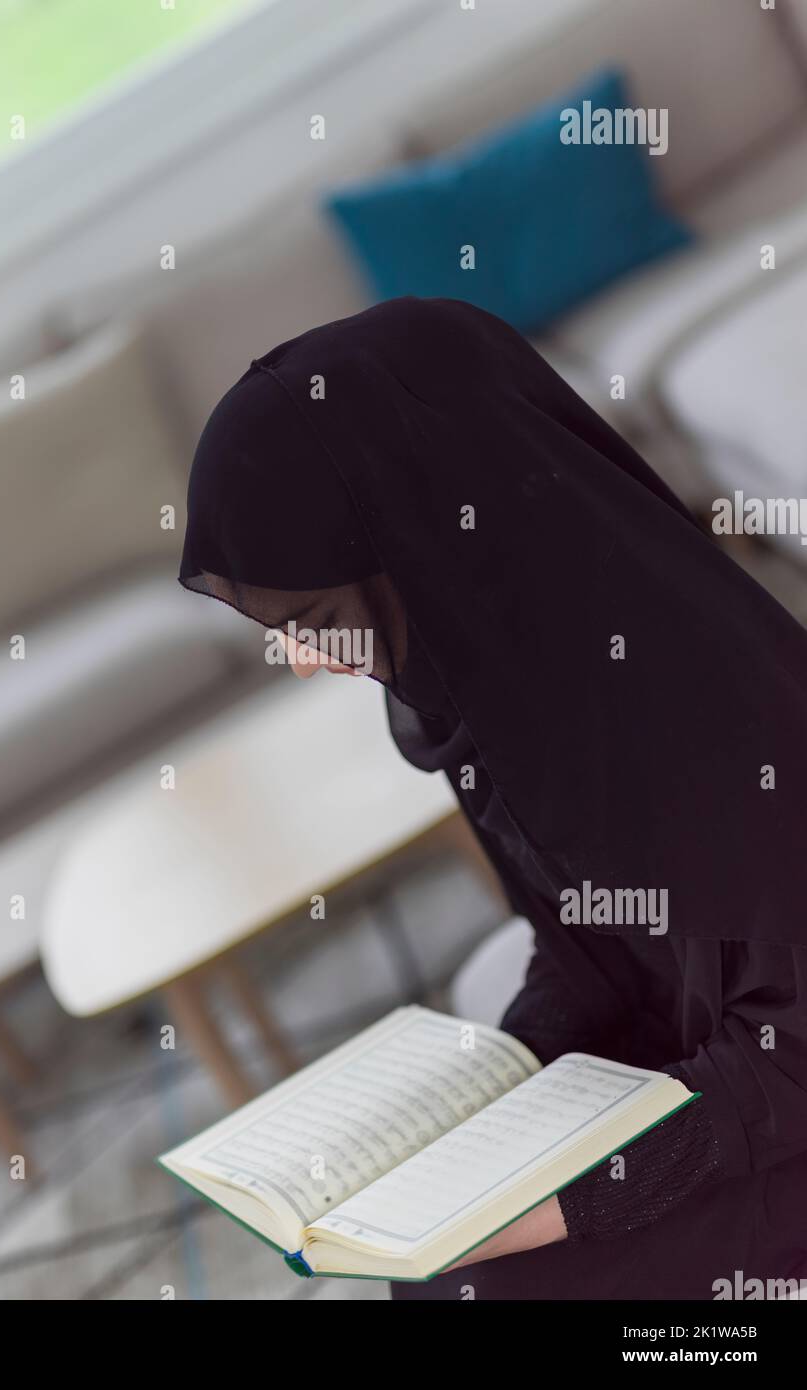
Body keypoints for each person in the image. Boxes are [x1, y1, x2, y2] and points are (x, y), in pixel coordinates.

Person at [177, 295, 807, 1300]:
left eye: (313, 613)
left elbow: (787, 1067)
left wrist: (549, 1205)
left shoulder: (706, 712)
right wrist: (478, 1087)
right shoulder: (499, 701)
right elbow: (593, 957)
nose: (299, 659)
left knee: (468, 1287)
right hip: (716, 1077)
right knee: (435, 1273)